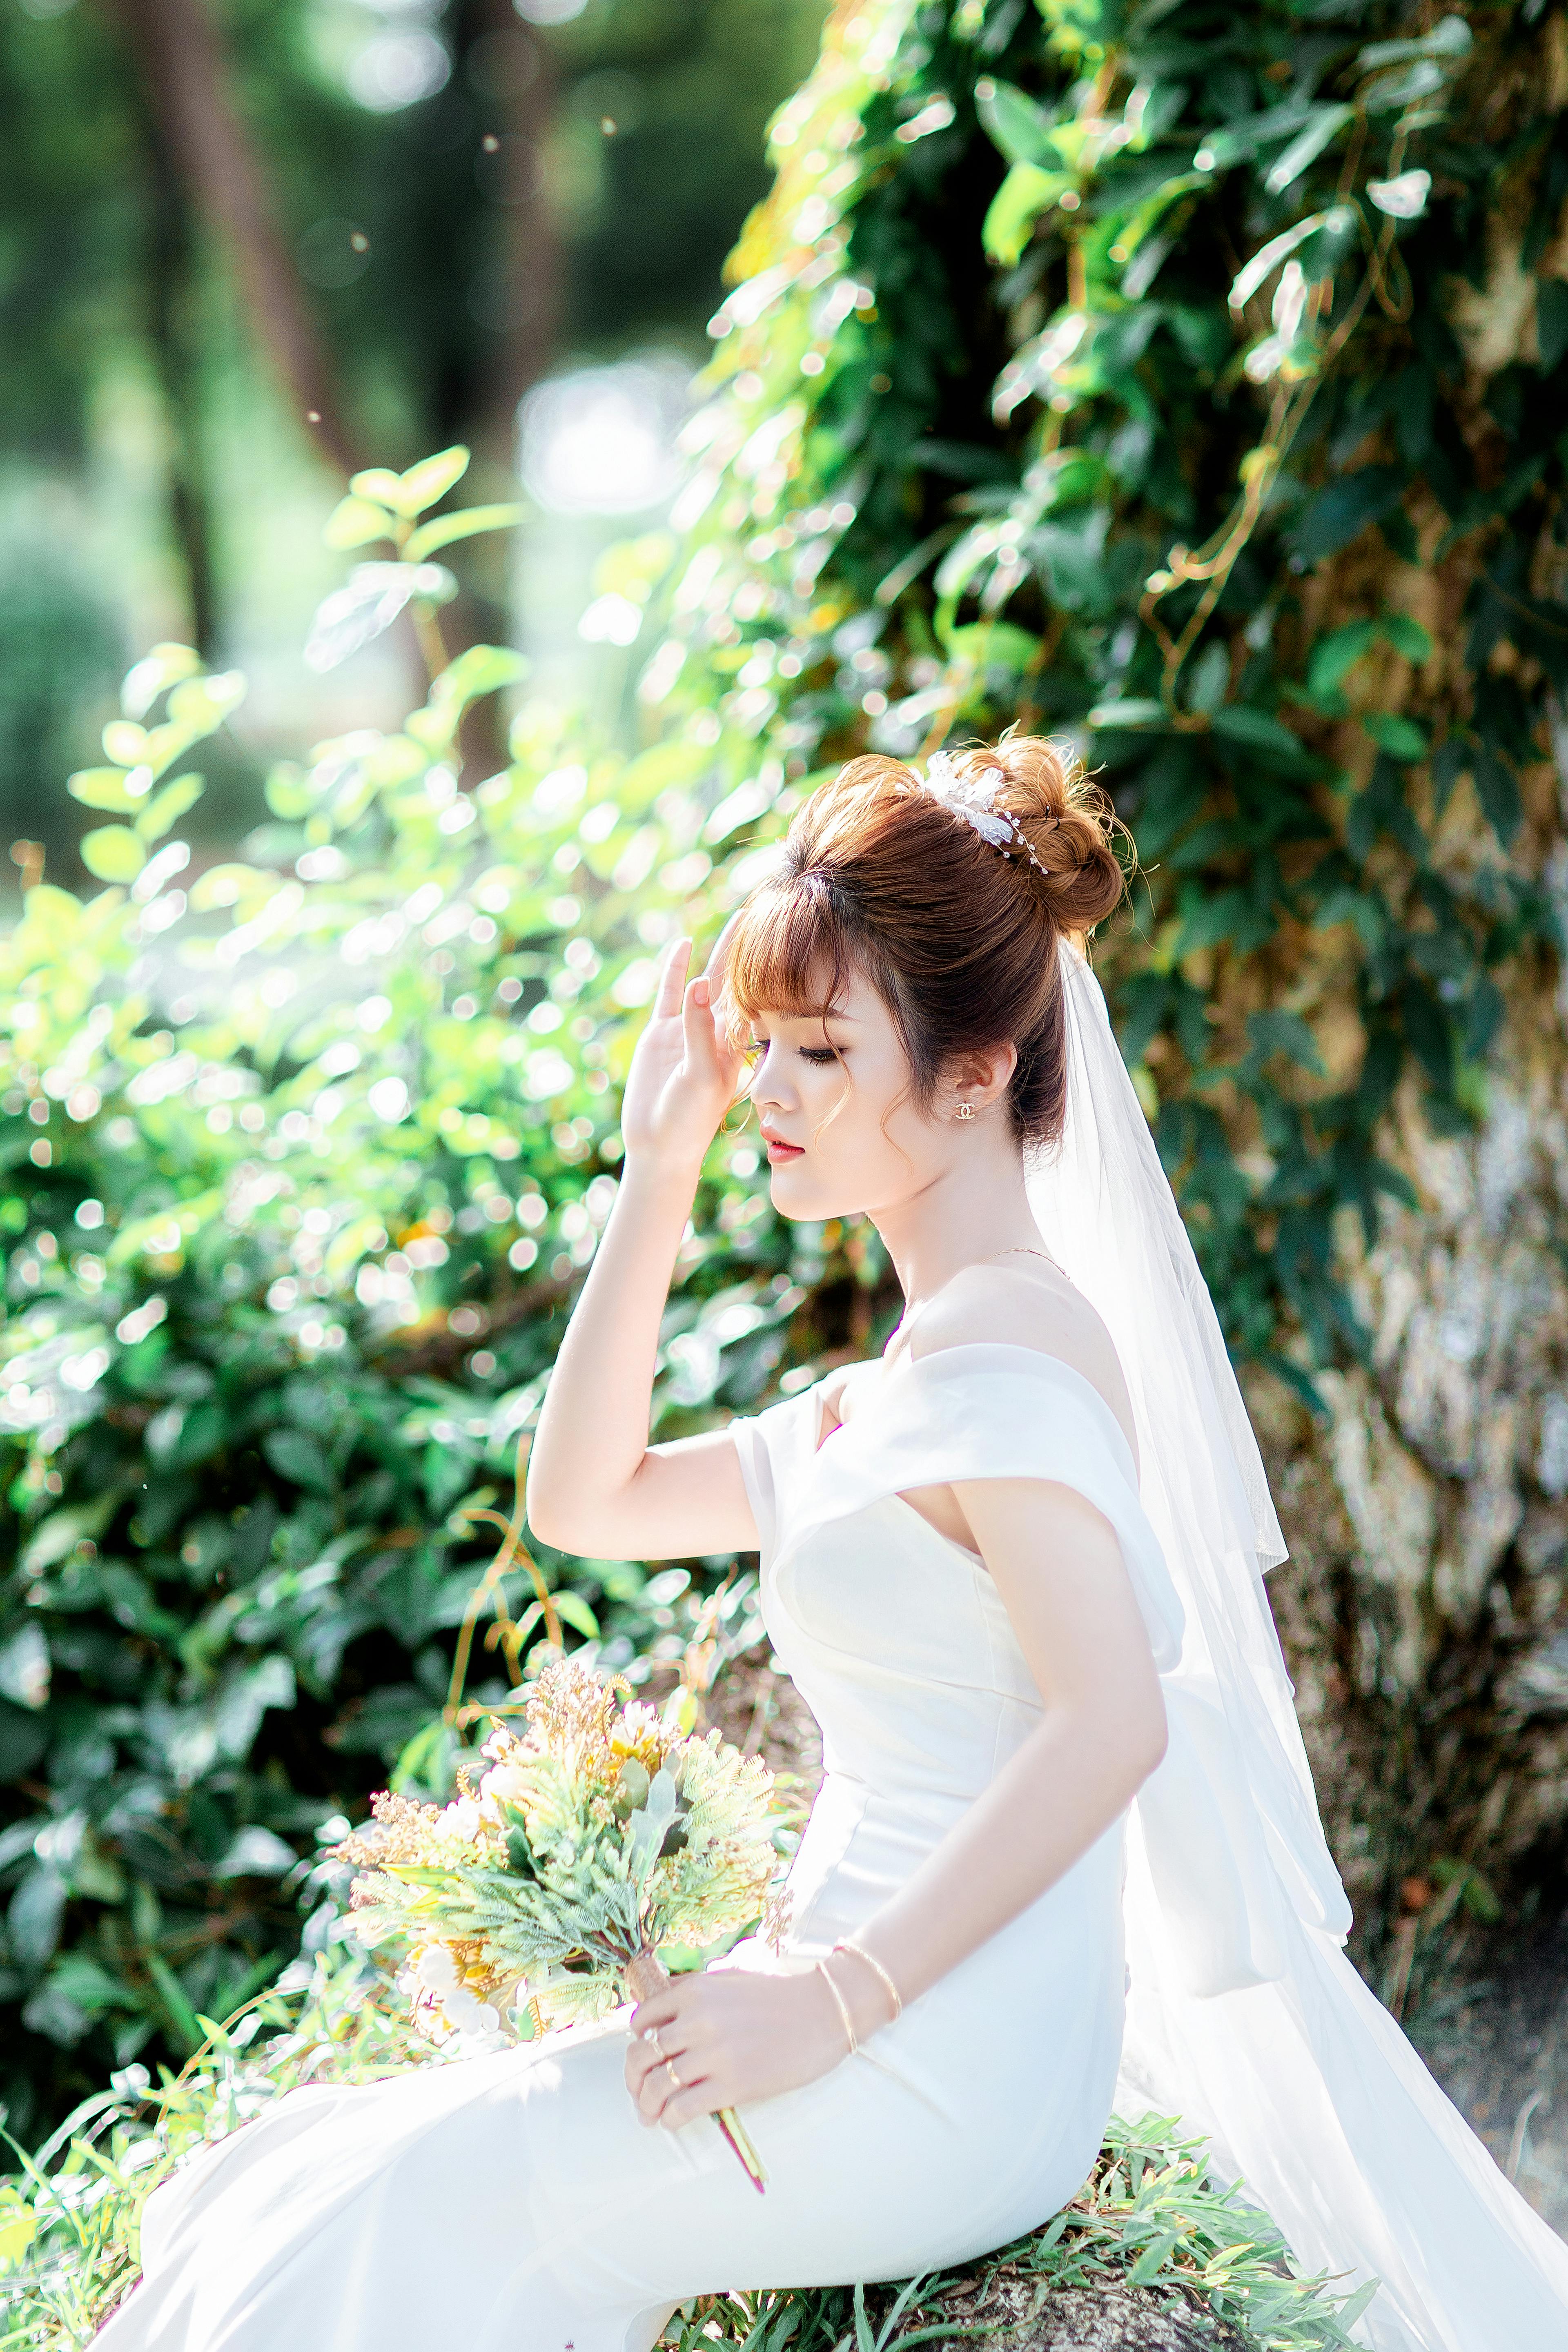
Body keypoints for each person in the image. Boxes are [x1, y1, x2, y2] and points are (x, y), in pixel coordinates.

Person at [97, 740, 1568, 2352]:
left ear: (975, 1068)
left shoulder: (1008, 1363)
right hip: (849, 2015)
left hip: (936, 2057)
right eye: (765, 1047)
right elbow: (587, 1501)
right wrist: (656, 1171)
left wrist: (830, 2000)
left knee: (410, 2198)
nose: (772, 1094)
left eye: (818, 1050)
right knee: (321, 2169)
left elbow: (1114, 1723)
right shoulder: (910, 1385)